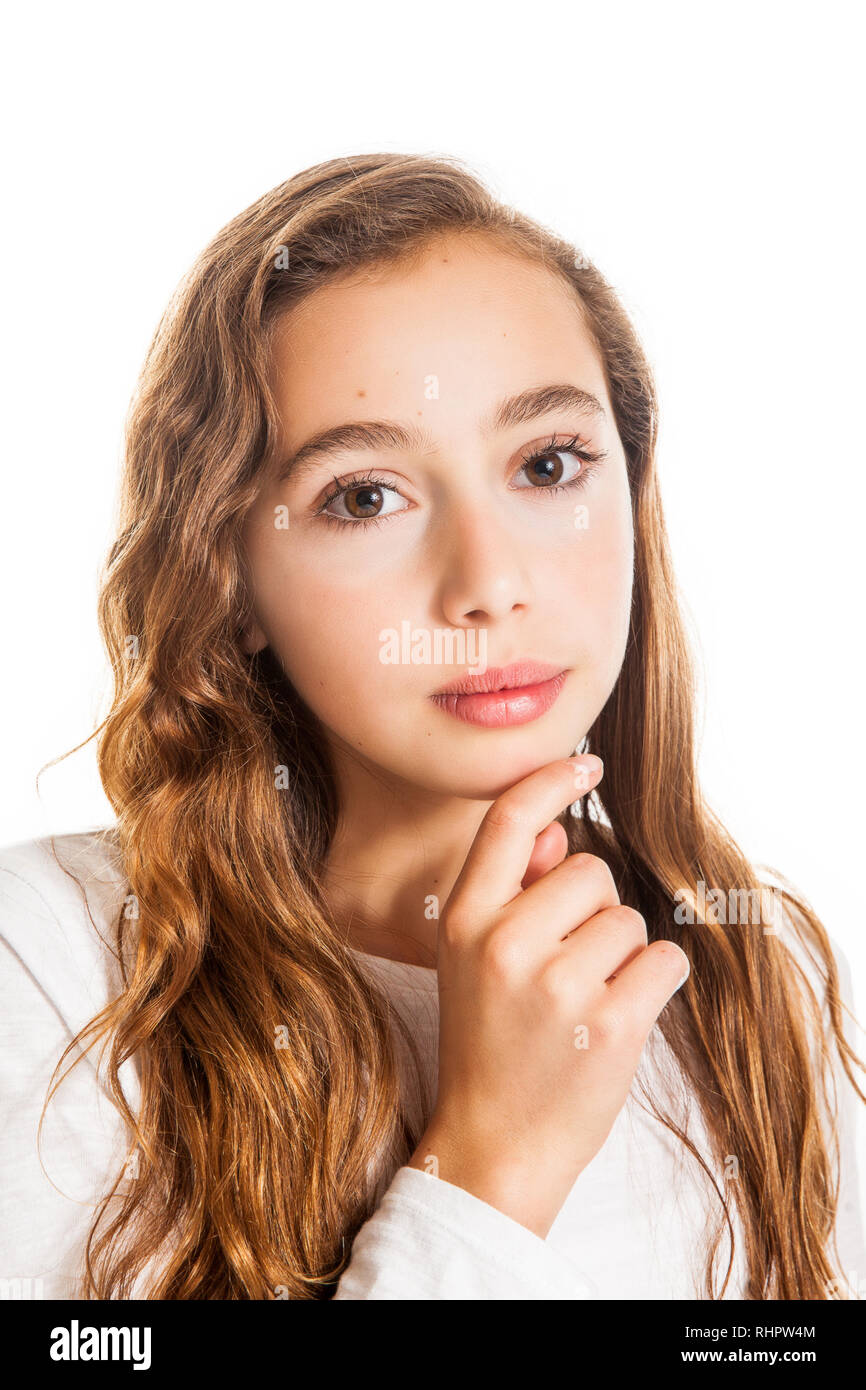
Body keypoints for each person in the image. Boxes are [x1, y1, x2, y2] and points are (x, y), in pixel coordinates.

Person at [1, 152, 863, 1301]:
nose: (488, 583)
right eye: (363, 495)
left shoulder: (765, 985)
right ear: (232, 577)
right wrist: (492, 1167)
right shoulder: (54, 975)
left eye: (546, 464)